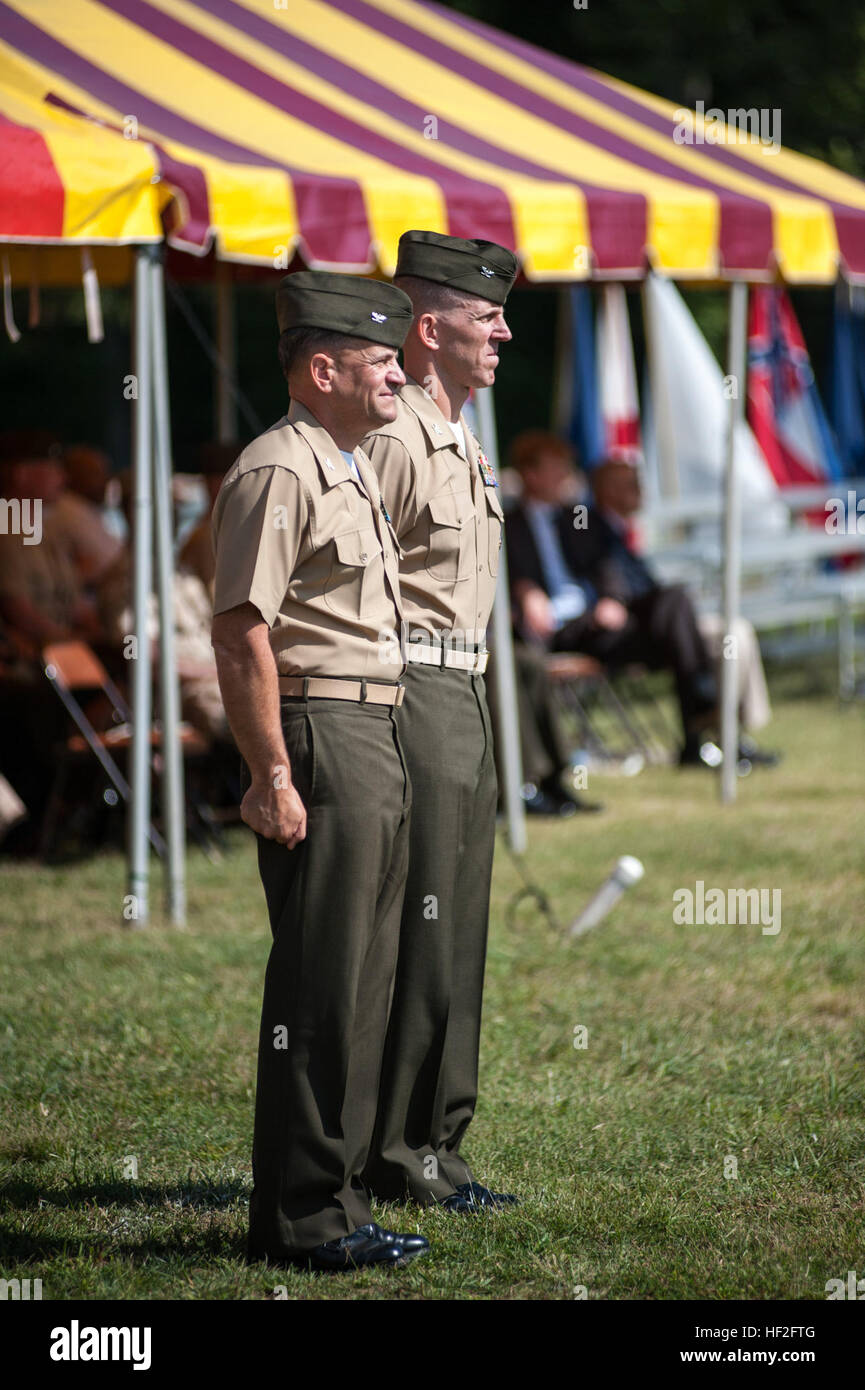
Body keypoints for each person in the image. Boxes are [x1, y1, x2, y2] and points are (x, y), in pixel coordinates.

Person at [210, 271, 428, 1272]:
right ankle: (300, 1217)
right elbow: (242, 628)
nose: (396, 371)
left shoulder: (342, 463)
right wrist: (270, 772)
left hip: (372, 732)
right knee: (319, 988)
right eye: (379, 357)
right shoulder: (280, 469)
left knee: (362, 987)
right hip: (320, 734)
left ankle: (333, 1201)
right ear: (322, 366)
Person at [361, 229, 519, 1213]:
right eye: (482, 314)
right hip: (413, 687)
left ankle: (438, 1141)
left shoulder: (460, 434)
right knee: (417, 931)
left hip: (465, 689)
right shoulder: (394, 437)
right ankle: (395, 1148)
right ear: (428, 330)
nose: (502, 329)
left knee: (458, 930)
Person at [505, 432, 719, 764]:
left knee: (674, 600)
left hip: (598, 624)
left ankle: (701, 728)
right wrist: (524, 590)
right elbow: (503, 574)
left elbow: (607, 563)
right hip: (555, 630)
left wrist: (613, 597)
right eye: (557, 467)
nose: (567, 474)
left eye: (567, 466)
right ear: (531, 475)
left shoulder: (577, 516)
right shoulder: (508, 524)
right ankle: (706, 719)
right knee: (683, 630)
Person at [589, 459, 777, 760]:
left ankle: (730, 732)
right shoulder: (588, 526)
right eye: (631, 483)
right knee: (683, 605)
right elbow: (607, 583)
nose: (641, 489)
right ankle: (705, 718)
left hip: (665, 624)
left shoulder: (620, 530)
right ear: (608, 490)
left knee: (736, 632)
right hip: (632, 629)